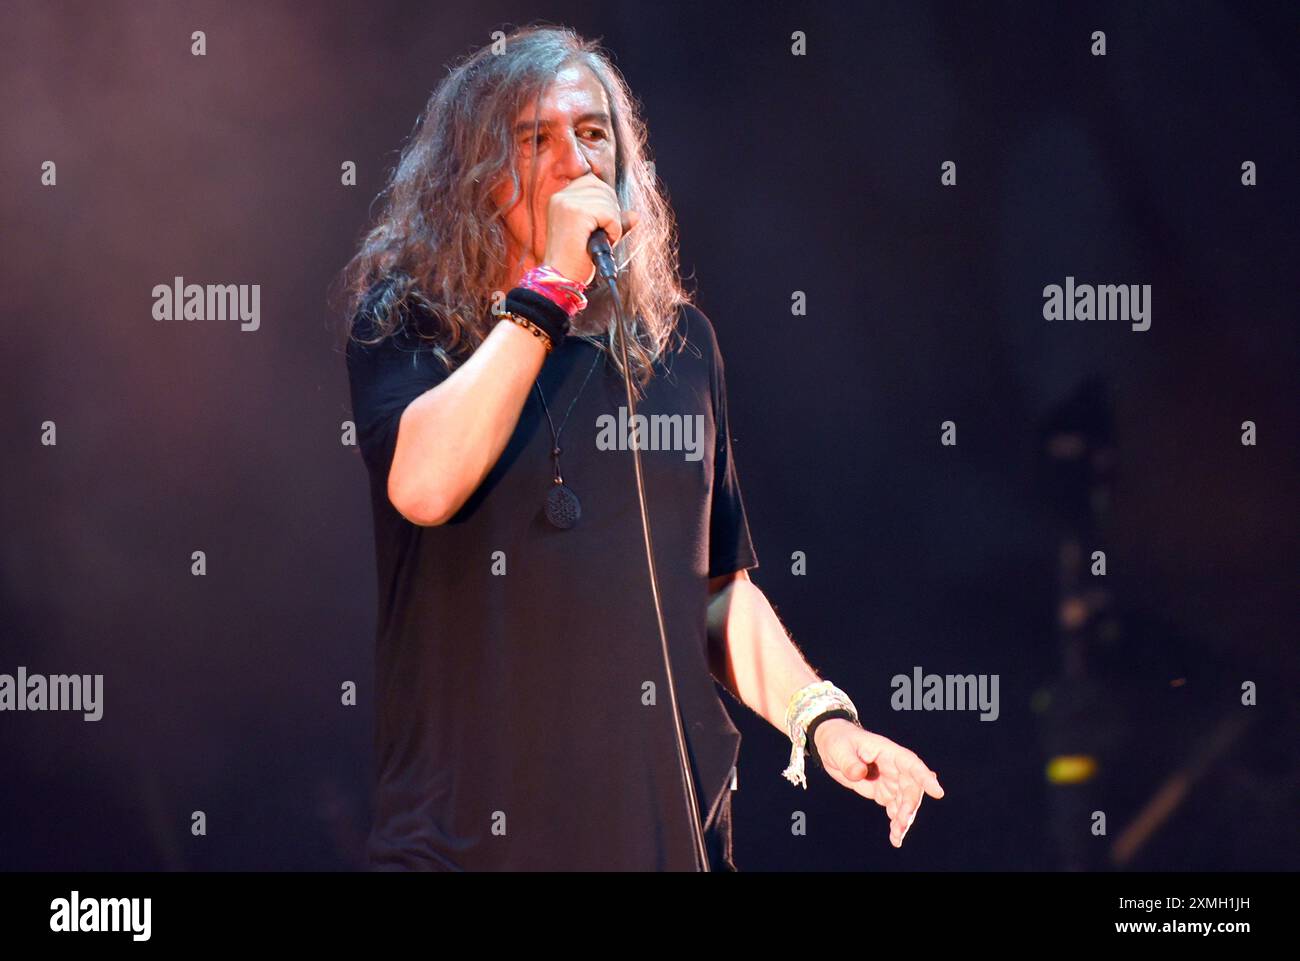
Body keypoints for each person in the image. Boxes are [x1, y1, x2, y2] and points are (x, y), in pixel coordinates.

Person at [338, 25, 943, 871]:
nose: (575, 161)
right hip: (464, 842)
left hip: (659, 833)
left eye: (593, 133)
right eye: (535, 137)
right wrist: (547, 288)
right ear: (476, 175)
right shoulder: (411, 325)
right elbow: (425, 485)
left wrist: (823, 720)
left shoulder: (678, 347)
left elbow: (717, 591)